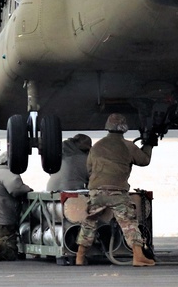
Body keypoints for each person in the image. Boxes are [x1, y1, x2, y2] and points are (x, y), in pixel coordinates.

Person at [75, 113, 155, 267]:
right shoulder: (128, 146)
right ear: (124, 128)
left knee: (89, 222)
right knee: (129, 222)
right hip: (117, 192)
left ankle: (80, 257)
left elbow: (89, 169)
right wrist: (149, 144)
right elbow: (144, 160)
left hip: (96, 191)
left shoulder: (97, 146)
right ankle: (138, 256)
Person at [0, 151, 33, 261]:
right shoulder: (7, 173)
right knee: (12, 252)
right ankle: (0, 247)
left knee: (5, 237)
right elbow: (16, 189)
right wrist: (28, 189)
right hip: (2, 219)